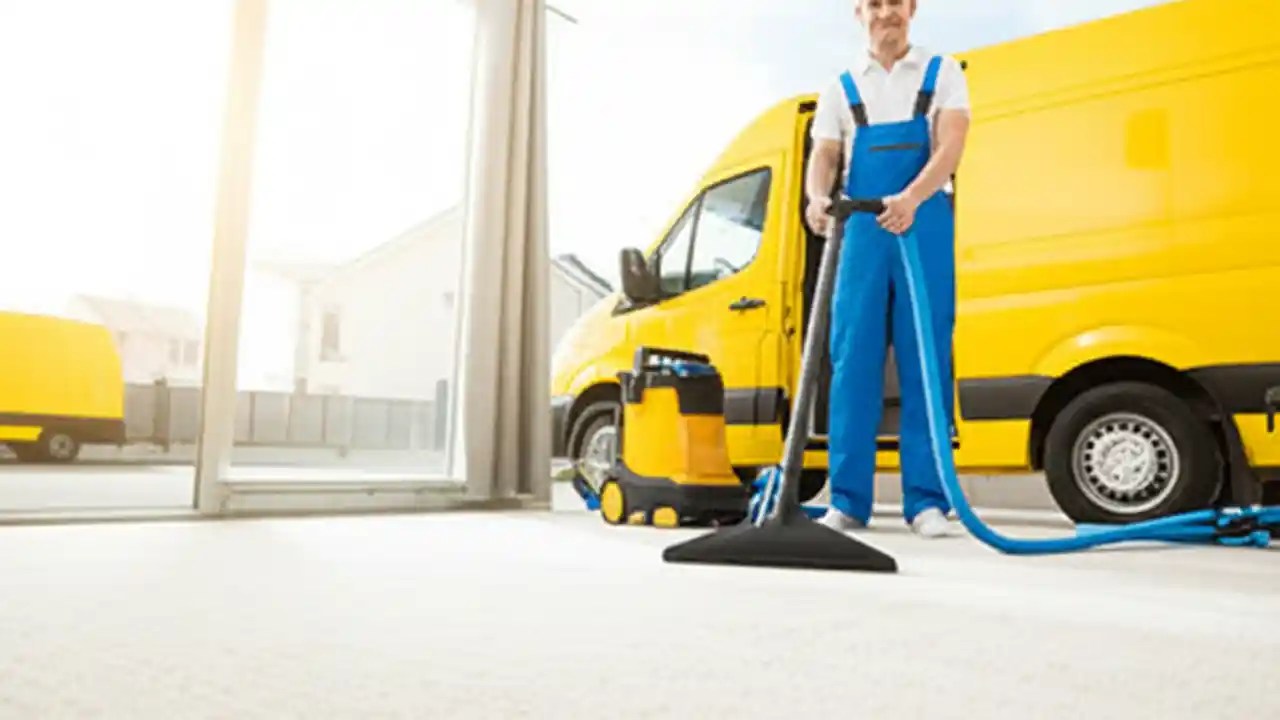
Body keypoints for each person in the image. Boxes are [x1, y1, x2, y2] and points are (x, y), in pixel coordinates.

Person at [804, 0, 971, 538]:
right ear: (860, 13)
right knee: (853, 358)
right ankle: (848, 501)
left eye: (895, 2)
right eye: (874, 4)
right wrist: (815, 198)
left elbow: (951, 143)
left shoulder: (941, 72)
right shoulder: (841, 87)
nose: (886, 13)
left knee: (926, 354)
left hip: (922, 221)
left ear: (911, 9)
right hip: (861, 229)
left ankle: (926, 501)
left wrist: (913, 197)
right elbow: (825, 156)